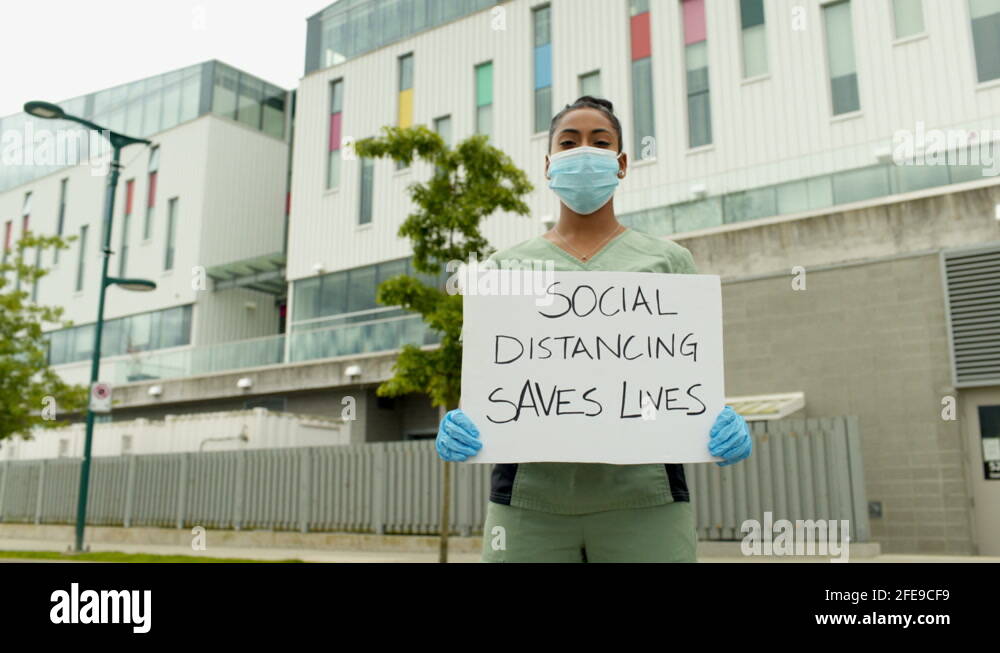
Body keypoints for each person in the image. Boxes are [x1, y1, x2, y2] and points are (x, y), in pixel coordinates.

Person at [437, 96, 752, 563]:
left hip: (648, 502)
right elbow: (488, 377)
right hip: (528, 506)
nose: (584, 150)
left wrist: (718, 419)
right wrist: (463, 420)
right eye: (569, 142)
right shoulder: (503, 269)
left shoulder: (669, 262)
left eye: (599, 142)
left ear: (622, 163)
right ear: (548, 165)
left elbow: (689, 367)